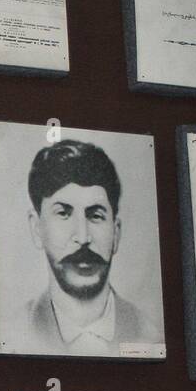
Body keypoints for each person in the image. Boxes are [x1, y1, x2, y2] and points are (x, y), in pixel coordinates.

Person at [22, 139, 146, 356]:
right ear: (36, 228)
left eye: (96, 215)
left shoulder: (150, 333)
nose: (83, 237)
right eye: (63, 213)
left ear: (116, 232)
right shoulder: (15, 332)